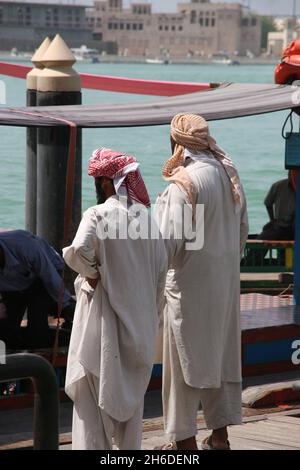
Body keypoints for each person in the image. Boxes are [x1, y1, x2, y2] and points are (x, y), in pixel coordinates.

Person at [155, 114, 248, 450]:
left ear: (176, 143)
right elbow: (242, 235)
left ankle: (184, 445)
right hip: (223, 287)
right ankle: (220, 437)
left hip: (188, 290)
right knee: (220, 359)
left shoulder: (183, 185)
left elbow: (165, 247)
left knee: (183, 367)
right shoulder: (229, 175)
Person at [63, 148, 167, 450]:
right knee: (130, 417)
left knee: (91, 414)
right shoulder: (150, 224)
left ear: (109, 183)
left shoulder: (98, 214)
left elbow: (78, 250)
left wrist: (93, 275)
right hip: (141, 333)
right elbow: (160, 279)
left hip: (101, 329)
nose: (97, 185)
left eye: (98, 180)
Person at [0, 230, 74, 349]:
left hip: (43, 277)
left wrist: (65, 303)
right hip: (13, 285)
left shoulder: (25, 245)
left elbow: (49, 276)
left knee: (37, 327)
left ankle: (58, 345)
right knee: (6, 331)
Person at [258, 171, 296, 241]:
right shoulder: (278, 186)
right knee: (262, 239)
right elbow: (268, 203)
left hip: (295, 227)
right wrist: (272, 220)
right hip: (280, 226)